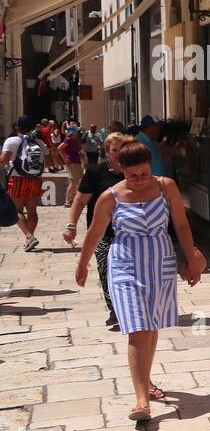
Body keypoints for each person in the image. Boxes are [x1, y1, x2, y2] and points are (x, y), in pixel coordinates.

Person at [75, 140, 205, 420]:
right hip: (124, 264)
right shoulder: (110, 197)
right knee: (137, 328)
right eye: (132, 175)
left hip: (160, 263)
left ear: (151, 168)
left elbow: (181, 224)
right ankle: (141, 400)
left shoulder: (166, 186)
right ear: (120, 169)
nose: (139, 179)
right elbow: (95, 232)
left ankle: (146, 382)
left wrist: (192, 257)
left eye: (144, 173)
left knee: (152, 323)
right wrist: (82, 264)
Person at [65, 132, 129, 329]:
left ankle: (128, 308)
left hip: (129, 233)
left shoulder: (134, 170)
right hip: (103, 232)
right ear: (107, 152)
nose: (118, 154)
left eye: (122, 149)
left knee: (127, 273)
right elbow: (80, 200)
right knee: (106, 269)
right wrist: (71, 225)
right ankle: (115, 311)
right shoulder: (95, 172)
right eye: (114, 150)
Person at [1, 116, 47, 252]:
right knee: (32, 210)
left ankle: (29, 236)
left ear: (17, 127)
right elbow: (48, 158)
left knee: (17, 210)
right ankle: (29, 239)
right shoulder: (38, 142)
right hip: (35, 179)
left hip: (17, 179)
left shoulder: (12, 140)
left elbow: (4, 160)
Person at [57, 127, 85, 208]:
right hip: (72, 162)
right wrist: (64, 159)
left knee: (75, 182)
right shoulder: (68, 139)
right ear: (73, 132)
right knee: (73, 182)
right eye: (76, 132)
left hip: (76, 162)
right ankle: (67, 201)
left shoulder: (74, 140)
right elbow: (59, 148)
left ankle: (71, 200)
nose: (78, 133)